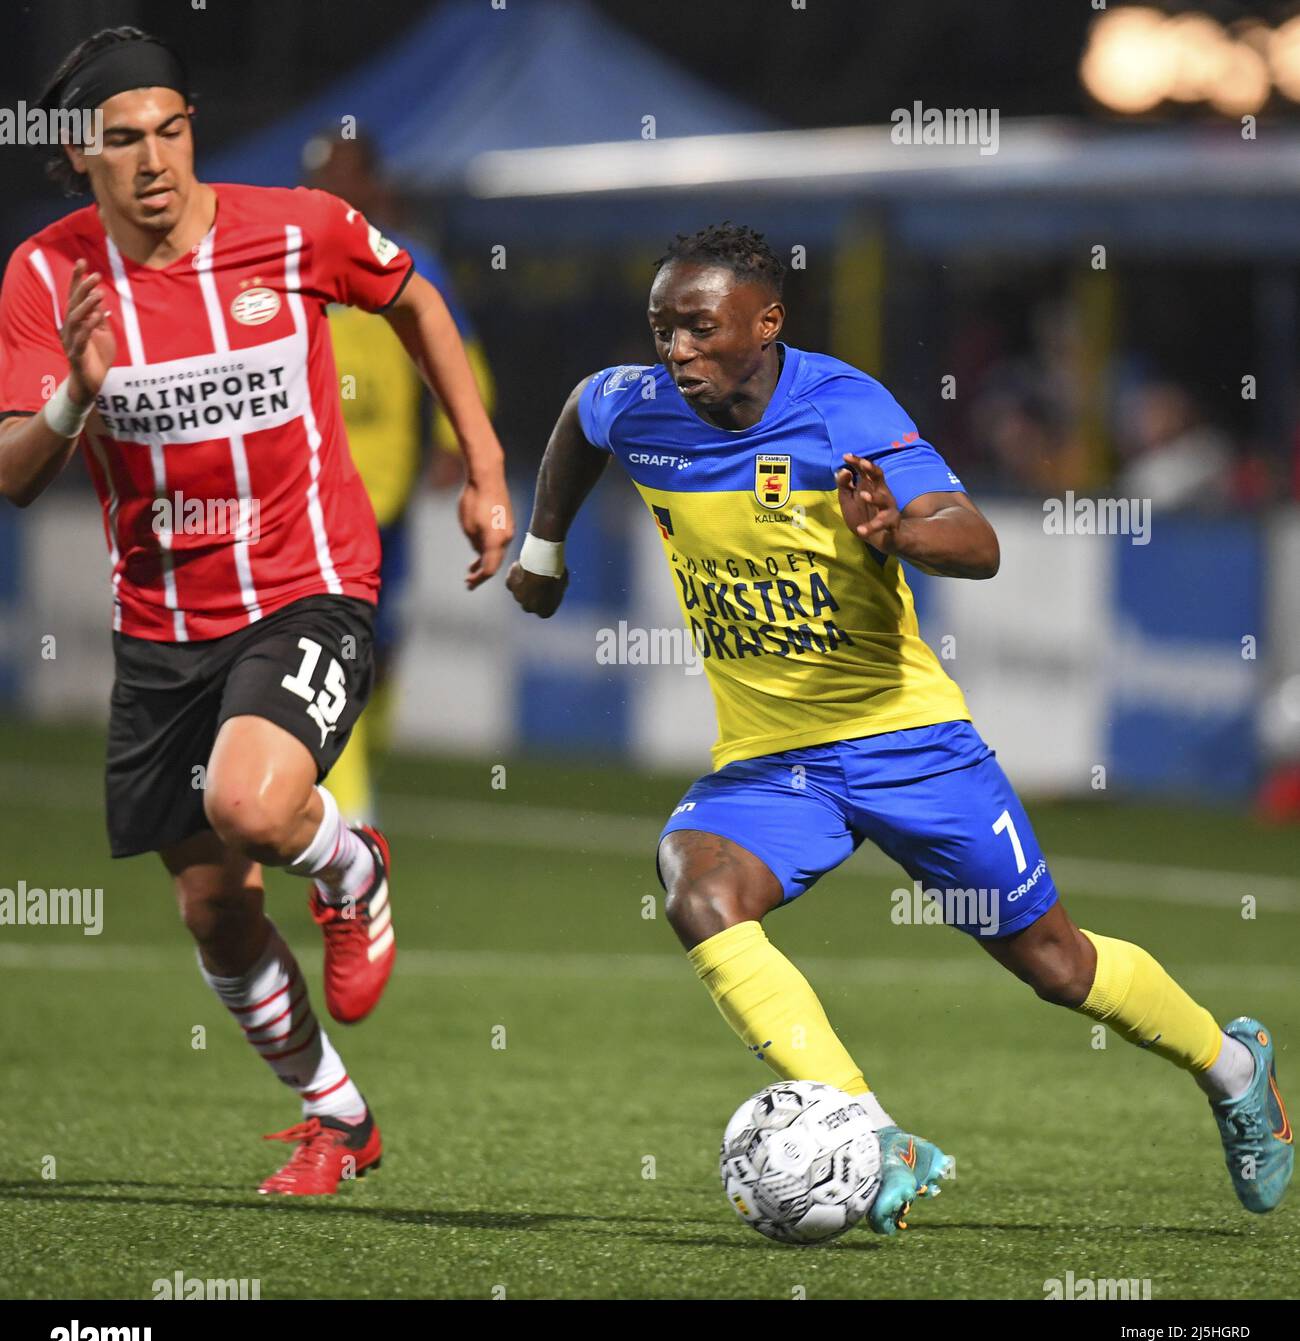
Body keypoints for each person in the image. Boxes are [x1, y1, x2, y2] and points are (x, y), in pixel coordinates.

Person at [507, 223, 1291, 1232]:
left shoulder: (844, 408)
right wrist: (542, 547)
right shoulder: (639, 406)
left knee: (1056, 966)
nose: (677, 352)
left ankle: (1234, 1069)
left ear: (767, 322)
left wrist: (896, 530)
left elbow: (978, 542)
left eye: (700, 329)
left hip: (908, 746)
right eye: (663, 330)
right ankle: (873, 1136)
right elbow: (580, 417)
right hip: (772, 761)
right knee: (698, 889)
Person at [0, 28, 512, 1194]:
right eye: (122, 141)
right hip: (163, 627)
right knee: (213, 913)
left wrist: (483, 469)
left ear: (192, 129)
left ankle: (352, 868)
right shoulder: (45, 276)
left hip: (310, 583)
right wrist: (76, 393)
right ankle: (339, 1120)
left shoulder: (294, 227)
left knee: (248, 804)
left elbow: (417, 297)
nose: (153, 161)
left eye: (170, 130)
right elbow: (15, 472)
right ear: (79, 157)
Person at [300, 130, 496, 822]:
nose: (328, 191)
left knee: (379, 653)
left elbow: (458, 356)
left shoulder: (412, 265)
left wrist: (456, 441)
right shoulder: (286, 261)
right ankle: (348, 813)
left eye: (343, 178)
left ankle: (353, 762)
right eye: (319, 178)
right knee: (326, 644)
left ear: (376, 187)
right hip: (302, 499)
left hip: (382, 498)